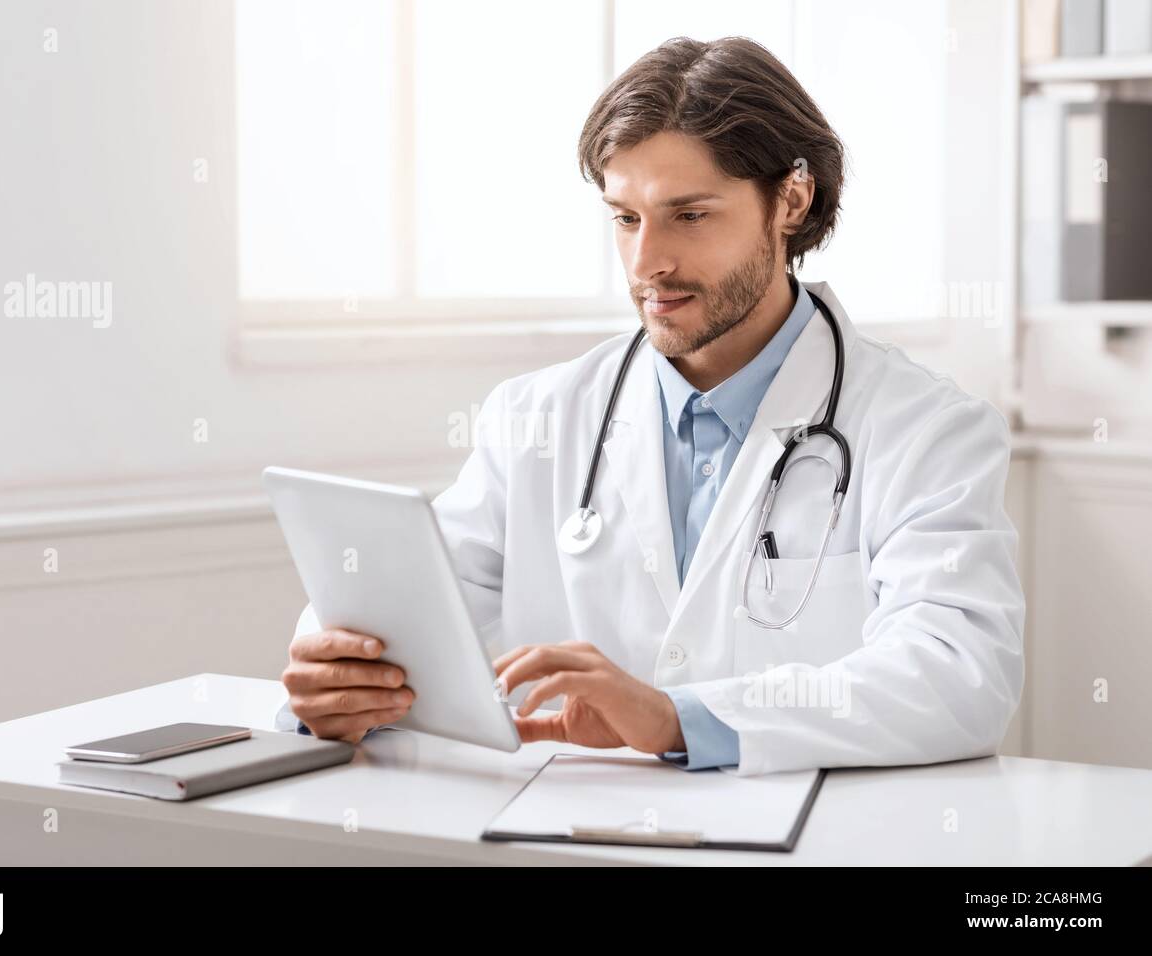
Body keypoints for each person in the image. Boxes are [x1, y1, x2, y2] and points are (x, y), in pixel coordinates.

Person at [281, 36, 1024, 776]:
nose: (647, 265)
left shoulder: (927, 429)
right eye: (626, 218)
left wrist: (677, 718)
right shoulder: (536, 418)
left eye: (689, 216)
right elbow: (407, 610)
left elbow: (960, 675)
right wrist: (333, 679)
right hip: (569, 841)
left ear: (791, 199)